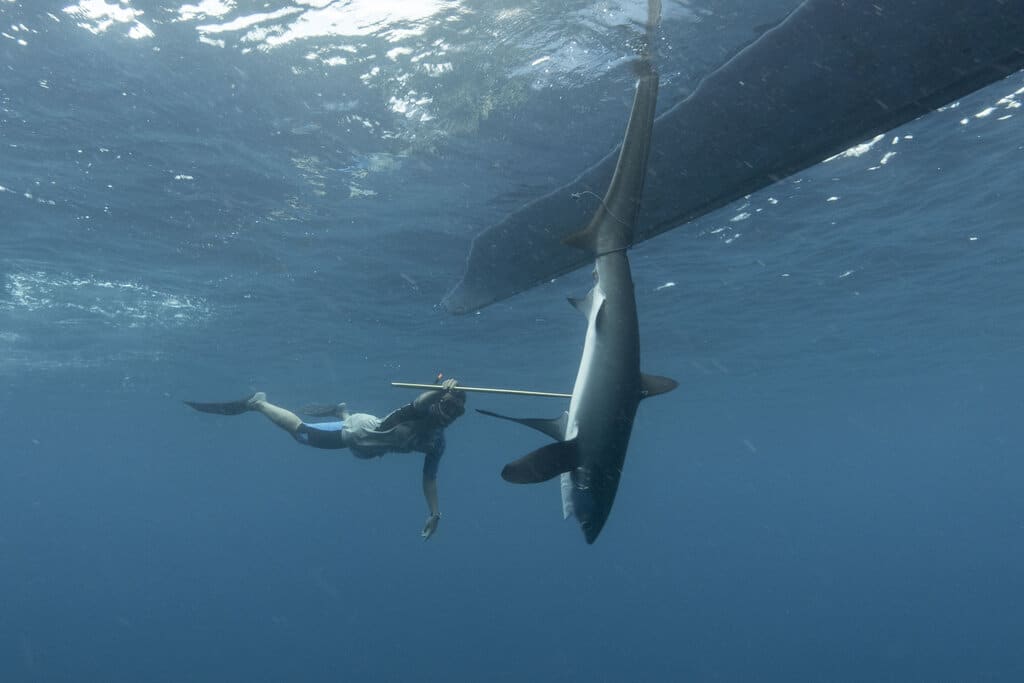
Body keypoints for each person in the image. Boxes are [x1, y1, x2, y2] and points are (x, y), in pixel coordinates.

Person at [185, 379, 466, 540]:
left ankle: (341, 410)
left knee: (357, 446)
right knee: (303, 435)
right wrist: (440, 389)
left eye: (457, 413)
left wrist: (435, 513)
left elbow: (430, 478)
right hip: (359, 432)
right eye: (448, 407)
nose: (450, 415)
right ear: (437, 404)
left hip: (369, 450)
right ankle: (257, 403)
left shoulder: (436, 443)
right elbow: (421, 400)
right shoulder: (415, 413)